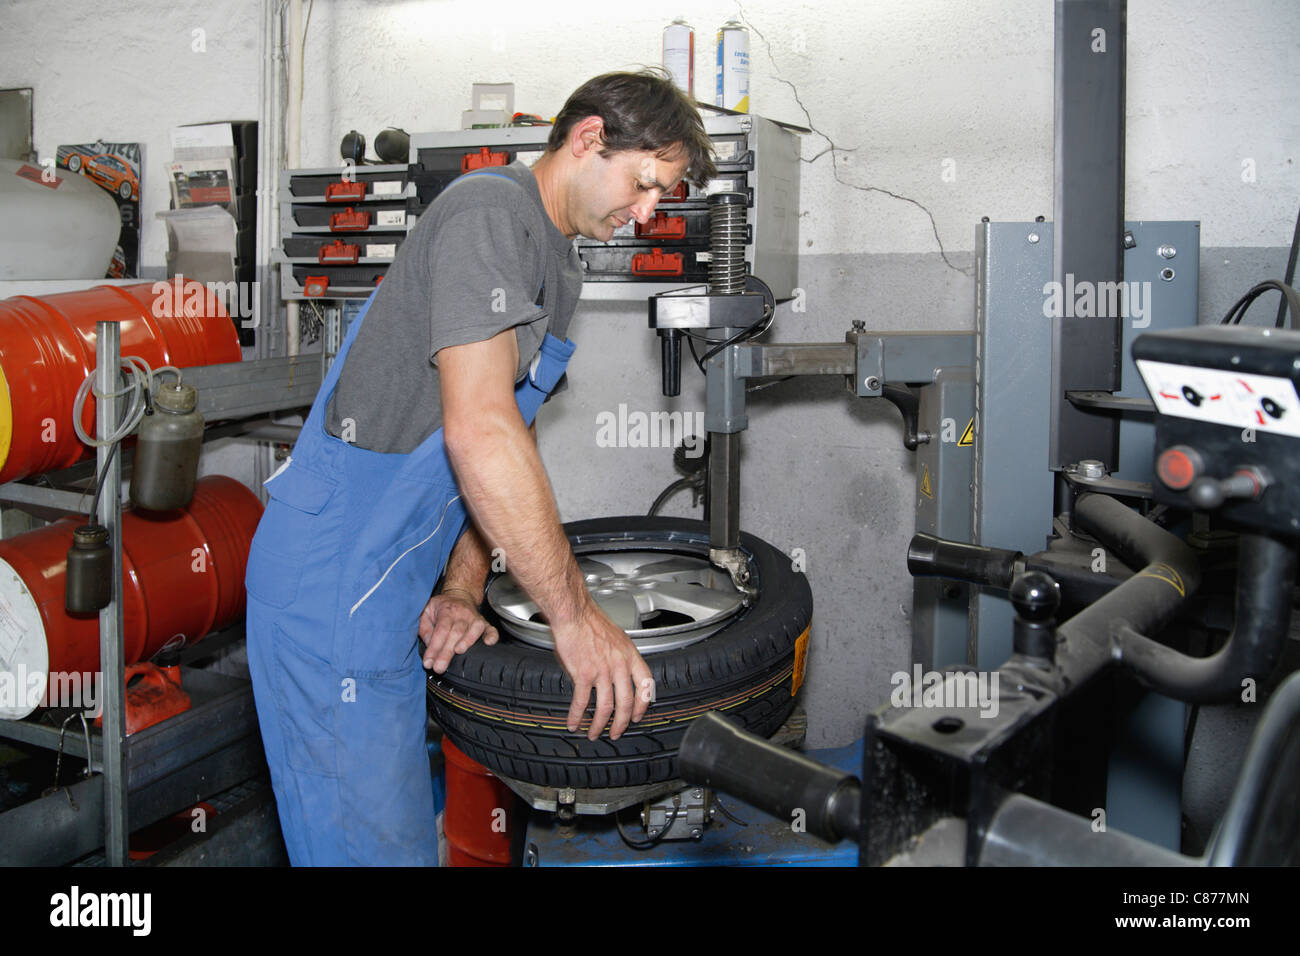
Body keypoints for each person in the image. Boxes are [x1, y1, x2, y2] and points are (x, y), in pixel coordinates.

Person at [243, 70, 717, 865]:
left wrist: (462, 587)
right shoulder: (490, 212)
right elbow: (481, 432)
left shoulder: (555, 265)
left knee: (393, 838)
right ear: (589, 137)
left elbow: (483, 457)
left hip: (385, 592)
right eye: (644, 185)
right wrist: (572, 618)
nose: (645, 214)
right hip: (328, 589)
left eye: (661, 199)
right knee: (365, 851)